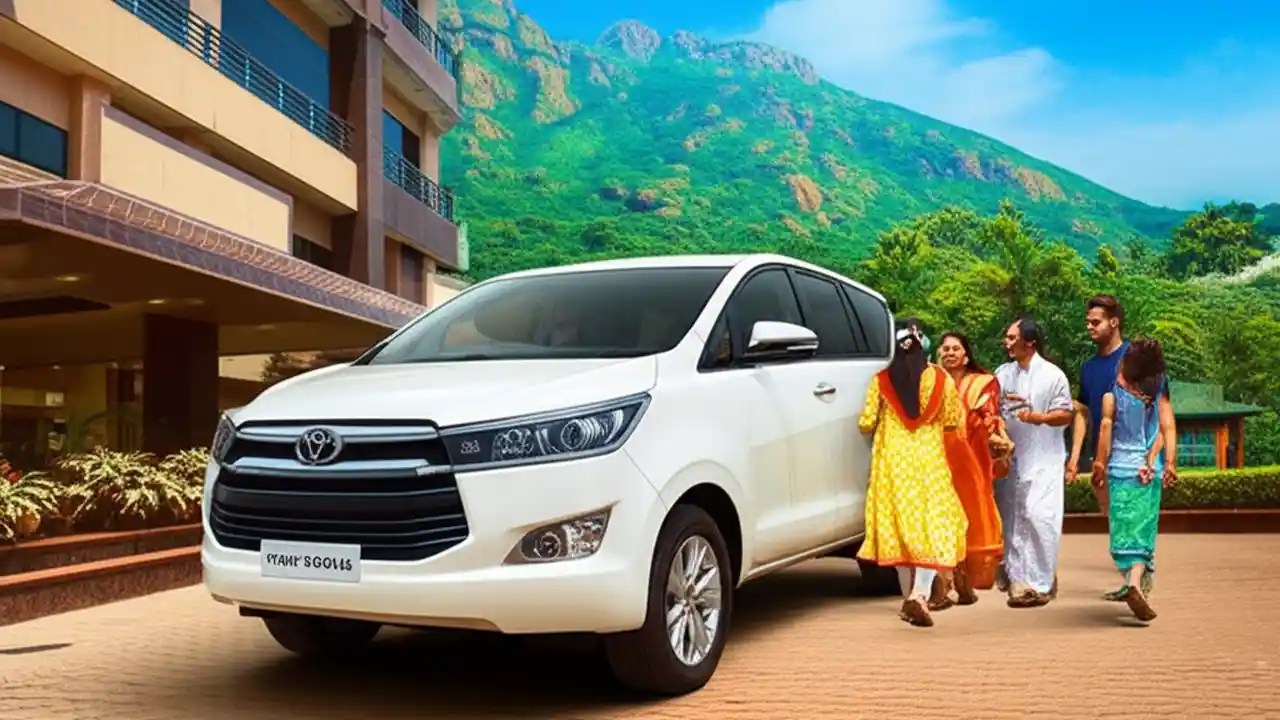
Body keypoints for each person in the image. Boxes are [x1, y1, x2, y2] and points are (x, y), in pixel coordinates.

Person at [856, 318, 969, 628]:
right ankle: (919, 594)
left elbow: (866, 422)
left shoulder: (881, 380)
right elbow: (950, 420)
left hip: (895, 463)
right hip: (930, 460)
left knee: (901, 527)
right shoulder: (942, 379)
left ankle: (911, 594)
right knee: (932, 525)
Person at [1092, 338, 1177, 622]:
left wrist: (1100, 463)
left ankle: (1132, 583)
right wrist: (1169, 463)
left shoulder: (1113, 390)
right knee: (1143, 531)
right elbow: (1166, 427)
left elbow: (1106, 428)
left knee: (1123, 530)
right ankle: (1134, 584)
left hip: (1120, 468)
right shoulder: (1157, 390)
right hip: (1148, 470)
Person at [993, 318, 1074, 608]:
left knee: (1040, 516)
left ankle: (1041, 582)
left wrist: (1036, 417)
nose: (1007, 342)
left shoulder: (1053, 376)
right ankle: (1019, 581)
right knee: (1013, 518)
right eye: (1006, 337)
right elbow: (992, 411)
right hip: (1012, 459)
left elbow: (1066, 414)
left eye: (1012, 337)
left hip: (1044, 459)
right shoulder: (1002, 374)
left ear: (1030, 342)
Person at [927, 332, 1011, 609]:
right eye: (945, 349)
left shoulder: (982, 382)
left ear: (966, 354)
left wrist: (994, 437)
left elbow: (988, 415)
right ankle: (950, 574)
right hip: (937, 455)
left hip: (972, 455)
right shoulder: (931, 379)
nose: (950, 353)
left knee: (973, 508)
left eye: (956, 348)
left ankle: (972, 572)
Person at [1066, 294, 1131, 601]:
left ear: (1114, 322)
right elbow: (1082, 413)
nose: (1090, 327)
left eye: (1096, 322)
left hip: (1131, 452)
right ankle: (1132, 577)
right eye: (1088, 322)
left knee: (1130, 515)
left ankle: (1135, 580)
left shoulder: (1134, 358)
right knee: (1113, 516)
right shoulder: (1089, 368)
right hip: (1100, 457)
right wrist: (1076, 457)